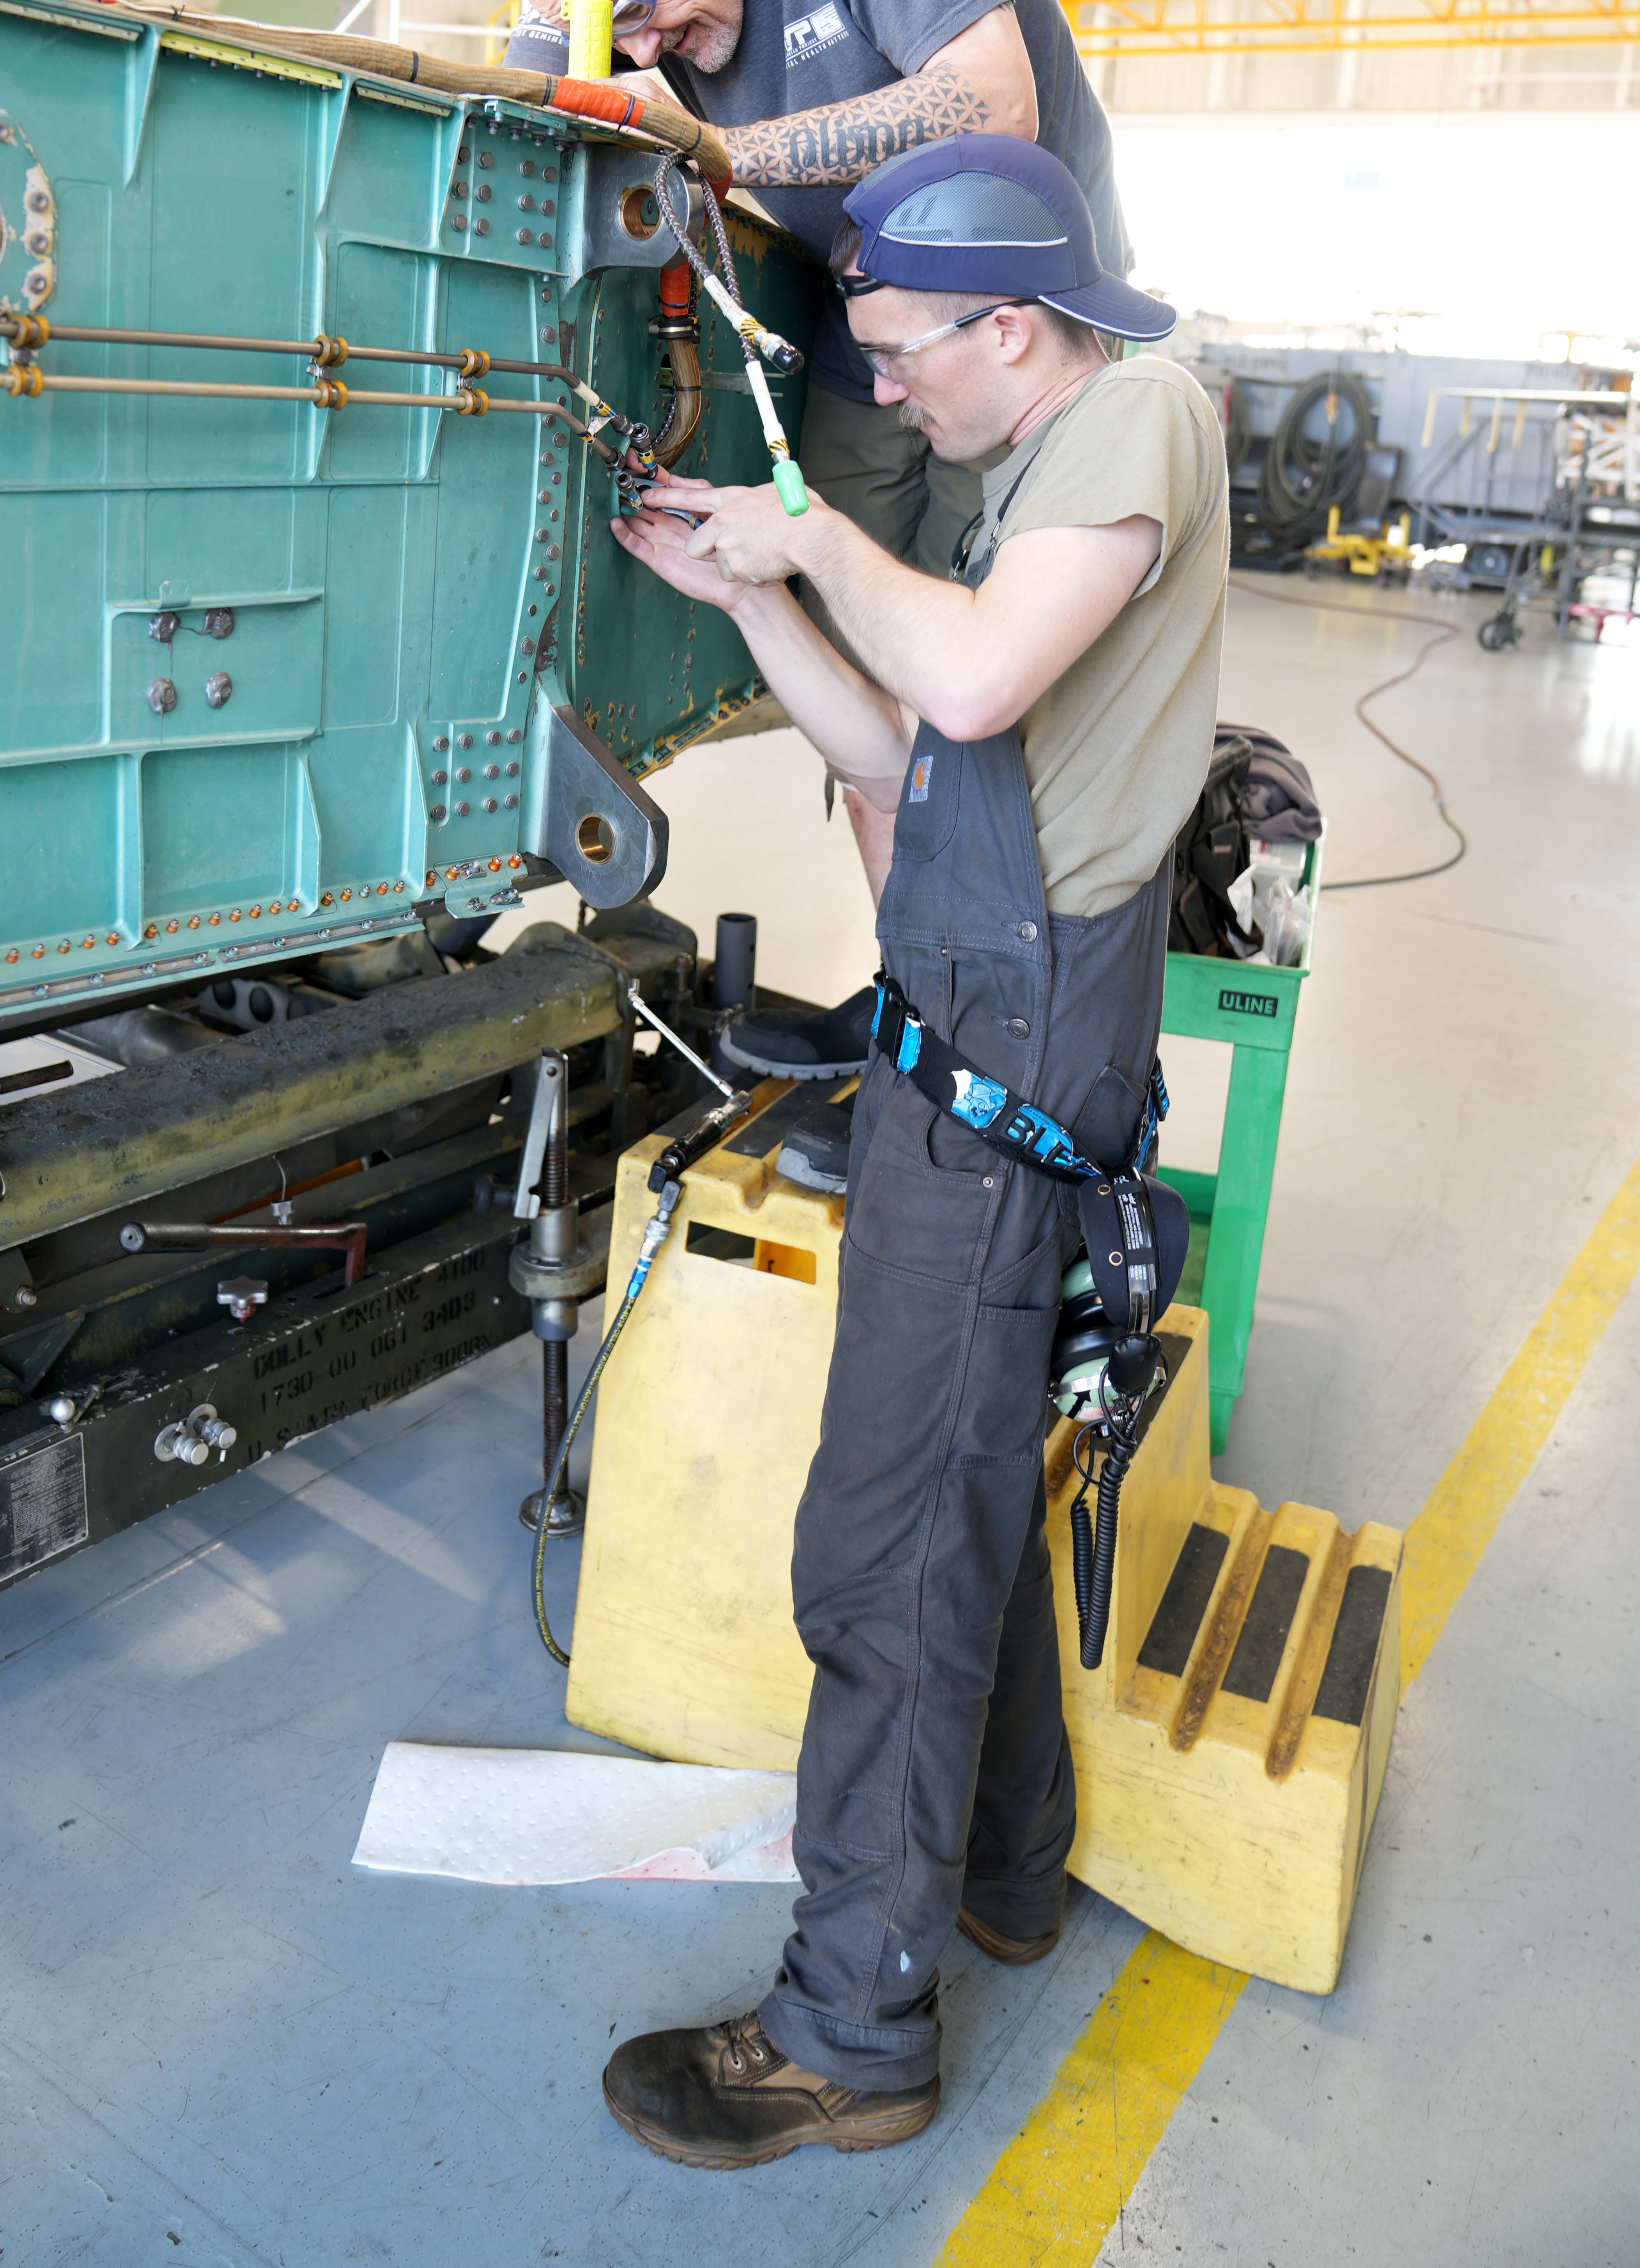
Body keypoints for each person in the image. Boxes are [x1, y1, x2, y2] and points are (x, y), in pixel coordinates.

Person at [593, 133, 1228, 2170]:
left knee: (880, 1549)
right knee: (962, 1481)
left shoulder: (1134, 416)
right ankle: (1008, 1869)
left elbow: (959, 669)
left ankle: (847, 2034)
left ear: (1015, 327)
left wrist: (806, 529)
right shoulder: (1028, 470)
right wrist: (747, 594)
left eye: (898, 351)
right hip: (979, 1016)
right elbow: (903, 747)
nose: (880, 387)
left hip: (1015, 1031)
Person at [491, 0, 1133, 989]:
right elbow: (524, 103)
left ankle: (1006, 1024)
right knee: (862, 691)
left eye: (637, 10)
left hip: (1013, 335)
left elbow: (994, 103)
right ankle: (915, 1006)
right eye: (611, 33)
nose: (641, 52)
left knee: (985, 704)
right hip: (863, 338)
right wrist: (550, 48)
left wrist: (716, 150)